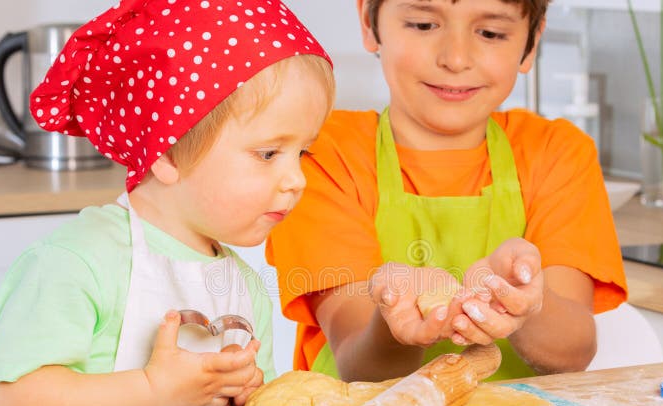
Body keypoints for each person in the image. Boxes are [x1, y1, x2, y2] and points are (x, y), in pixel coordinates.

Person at [0, 0, 335, 406]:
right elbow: (8, 401)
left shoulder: (241, 287)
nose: (296, 179)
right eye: (268, 153)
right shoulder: (78, 262)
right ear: (166, 154)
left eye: (303, 152)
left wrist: (251, 395)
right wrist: (153, 390)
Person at [267, 0, 627, 382]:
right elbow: (360, 364)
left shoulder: (558, 154)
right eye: (423, 25)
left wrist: (526, 304)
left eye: (490, 33)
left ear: (531, 44)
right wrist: (397, 323)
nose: (456, 59)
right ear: (369, 24)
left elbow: (573, 352)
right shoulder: (319, 155)